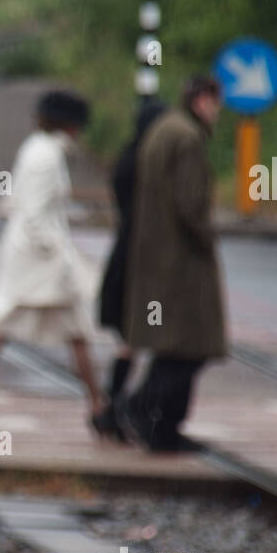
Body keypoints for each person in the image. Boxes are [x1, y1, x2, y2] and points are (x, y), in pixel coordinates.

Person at [0, 90, 107, 433]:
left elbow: (12, 201)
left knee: (54, 329)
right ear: (70, 125)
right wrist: (59, 252)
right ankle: (98, 407)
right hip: (39, 262)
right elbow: (34, 213)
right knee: (63, 330)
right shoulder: (47, 157)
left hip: (33, 258)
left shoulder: (35, 149)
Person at [117, 75, 226, 452]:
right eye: (215, 102)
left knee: (173, 348)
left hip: (156, 257)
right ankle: (142, 408)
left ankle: (162, 430)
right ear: (200, 101)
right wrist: (209, 236)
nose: (218, 111)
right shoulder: (188, 138)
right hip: (181, 262)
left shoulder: (164, 129)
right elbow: (191, 203)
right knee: (192, 347)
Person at [91, 96, 168, 440]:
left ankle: (114, 407)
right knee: (139, 336)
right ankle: (121, 408)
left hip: (125, 255)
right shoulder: (146, 163)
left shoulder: (127, 157)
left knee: (131, 338)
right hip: (139, 260)